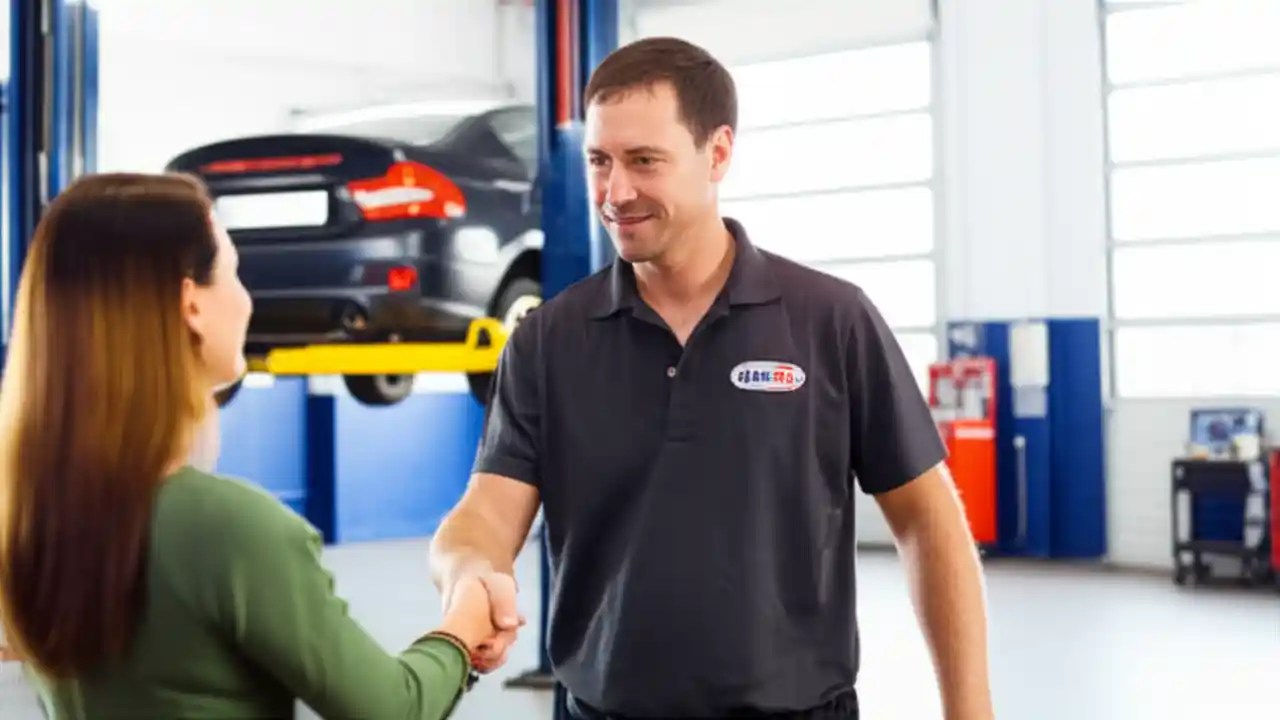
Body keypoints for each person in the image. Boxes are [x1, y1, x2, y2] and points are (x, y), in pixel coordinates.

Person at [430, 36, 995, 719]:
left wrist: (970, 713)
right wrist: (467, 573)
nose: (616, 192)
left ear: (718, 152)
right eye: (600, 162)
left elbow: (929, 522)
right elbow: (486, 514)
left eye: (644, 161)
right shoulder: (547, 341)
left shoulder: (830, 320)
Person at [0, 173, 489, 719]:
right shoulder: (228, 530)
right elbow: (392, 708)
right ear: (191, 303)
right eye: (234, 273)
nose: (246, 301)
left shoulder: (33, 524)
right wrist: (462, 630)